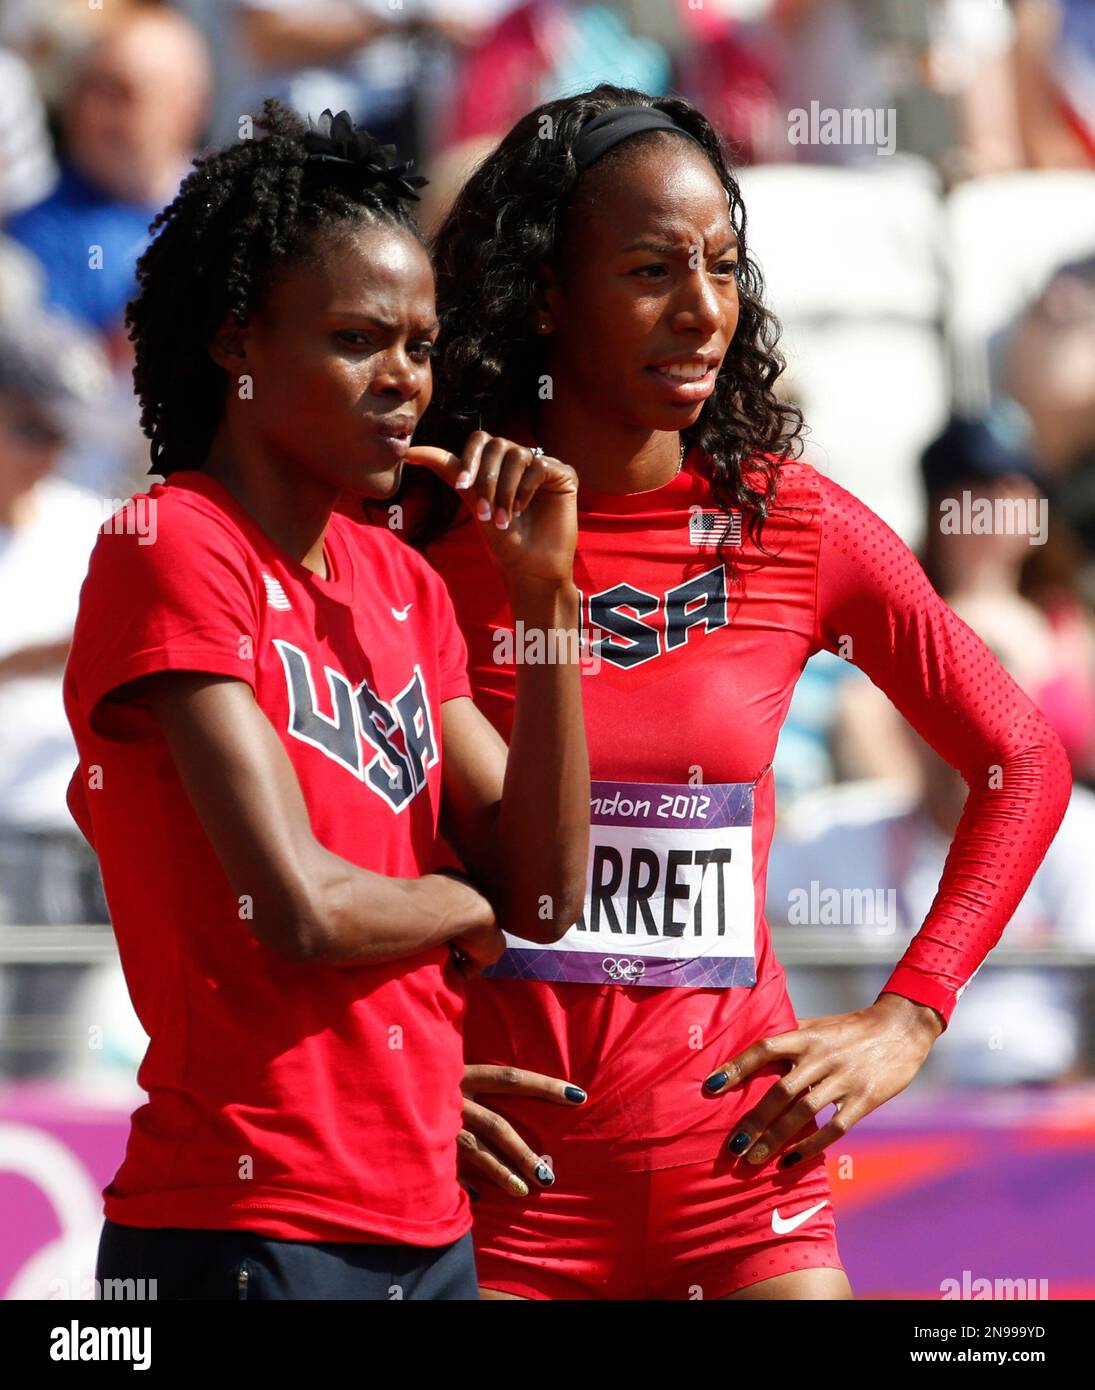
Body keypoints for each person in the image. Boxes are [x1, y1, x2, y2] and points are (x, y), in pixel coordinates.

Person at [402, 86, 1074, 1300]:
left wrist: (912, 1013)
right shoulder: (424, 532)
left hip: (743, 1180)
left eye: (722, 264)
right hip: (501, 1206)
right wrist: (384, 1073)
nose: (704, 310)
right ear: (547, 291)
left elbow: (1018, 759)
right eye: (653, 269)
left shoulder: (787, 520)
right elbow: (293, 836)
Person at [63, 100, 589, 1301]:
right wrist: (467, 901)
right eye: (360, 340)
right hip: (241, 1218)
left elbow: (551, 894)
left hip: (428, 1219)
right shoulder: (171, 544)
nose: (406, 382)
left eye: (421, 343)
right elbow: (293, 903)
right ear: (238, 342)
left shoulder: (401, 578)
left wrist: (549, 606)